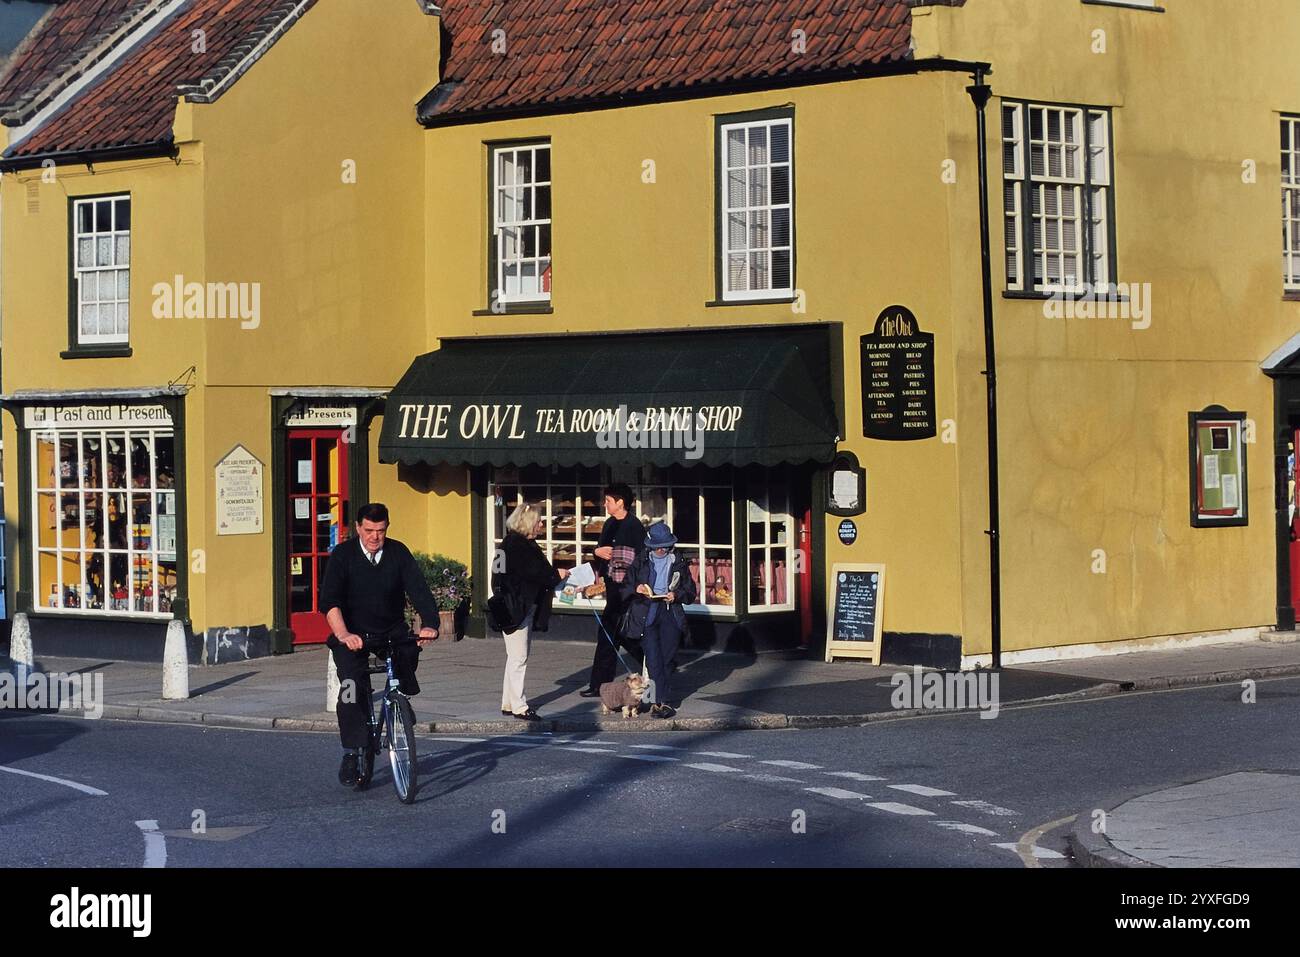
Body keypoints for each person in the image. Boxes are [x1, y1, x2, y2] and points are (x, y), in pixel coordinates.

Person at [319, 502, 440, 786]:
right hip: (352, 635)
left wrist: (430, 624)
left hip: (390, 630)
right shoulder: (343, 556)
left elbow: (419, 589)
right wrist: (344, 635)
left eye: (381, 531)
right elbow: (330, 603)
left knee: (409, 650)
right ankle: (352, 751)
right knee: (350, 689)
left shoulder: (398, 553)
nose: (375, 537)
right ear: (359, 528)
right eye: (370, 530)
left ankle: (400, 699)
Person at [495, 503, 568, 720]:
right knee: (519, 658)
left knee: (513, 656)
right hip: (518, 607)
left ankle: (508, 702)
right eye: (539, 521)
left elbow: (498, 576)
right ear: (528, 523)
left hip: (504, 606)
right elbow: (539, 574)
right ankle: (519, 706)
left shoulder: (507, 543)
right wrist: (558, 574)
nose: (542, 524)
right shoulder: (522, 547)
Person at [619, 521, 697, 719]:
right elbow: (625, 587)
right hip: (647, 612)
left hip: (670, 612)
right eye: (658, 547)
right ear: (651, 546)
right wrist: (637, 588)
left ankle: (659, 700)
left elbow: (690, 592)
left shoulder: (678, 560)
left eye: (666, 546)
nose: (662, 550)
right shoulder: (641, 561)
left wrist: (676, 595)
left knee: (667, 659)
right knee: (653, 661)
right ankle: (659, 701)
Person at [580, 484, 647, 697]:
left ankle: (656, 666)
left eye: (608, 500)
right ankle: (599, 685)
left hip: (628, 592)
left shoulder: (634, 527)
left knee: (627, 636)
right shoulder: (609, 523)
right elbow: (601, 552)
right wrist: (596, 552)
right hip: (612, 589)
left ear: (620, 502)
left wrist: (614, 553)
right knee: (608, 636)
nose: (605, 504)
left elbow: (639, 559)